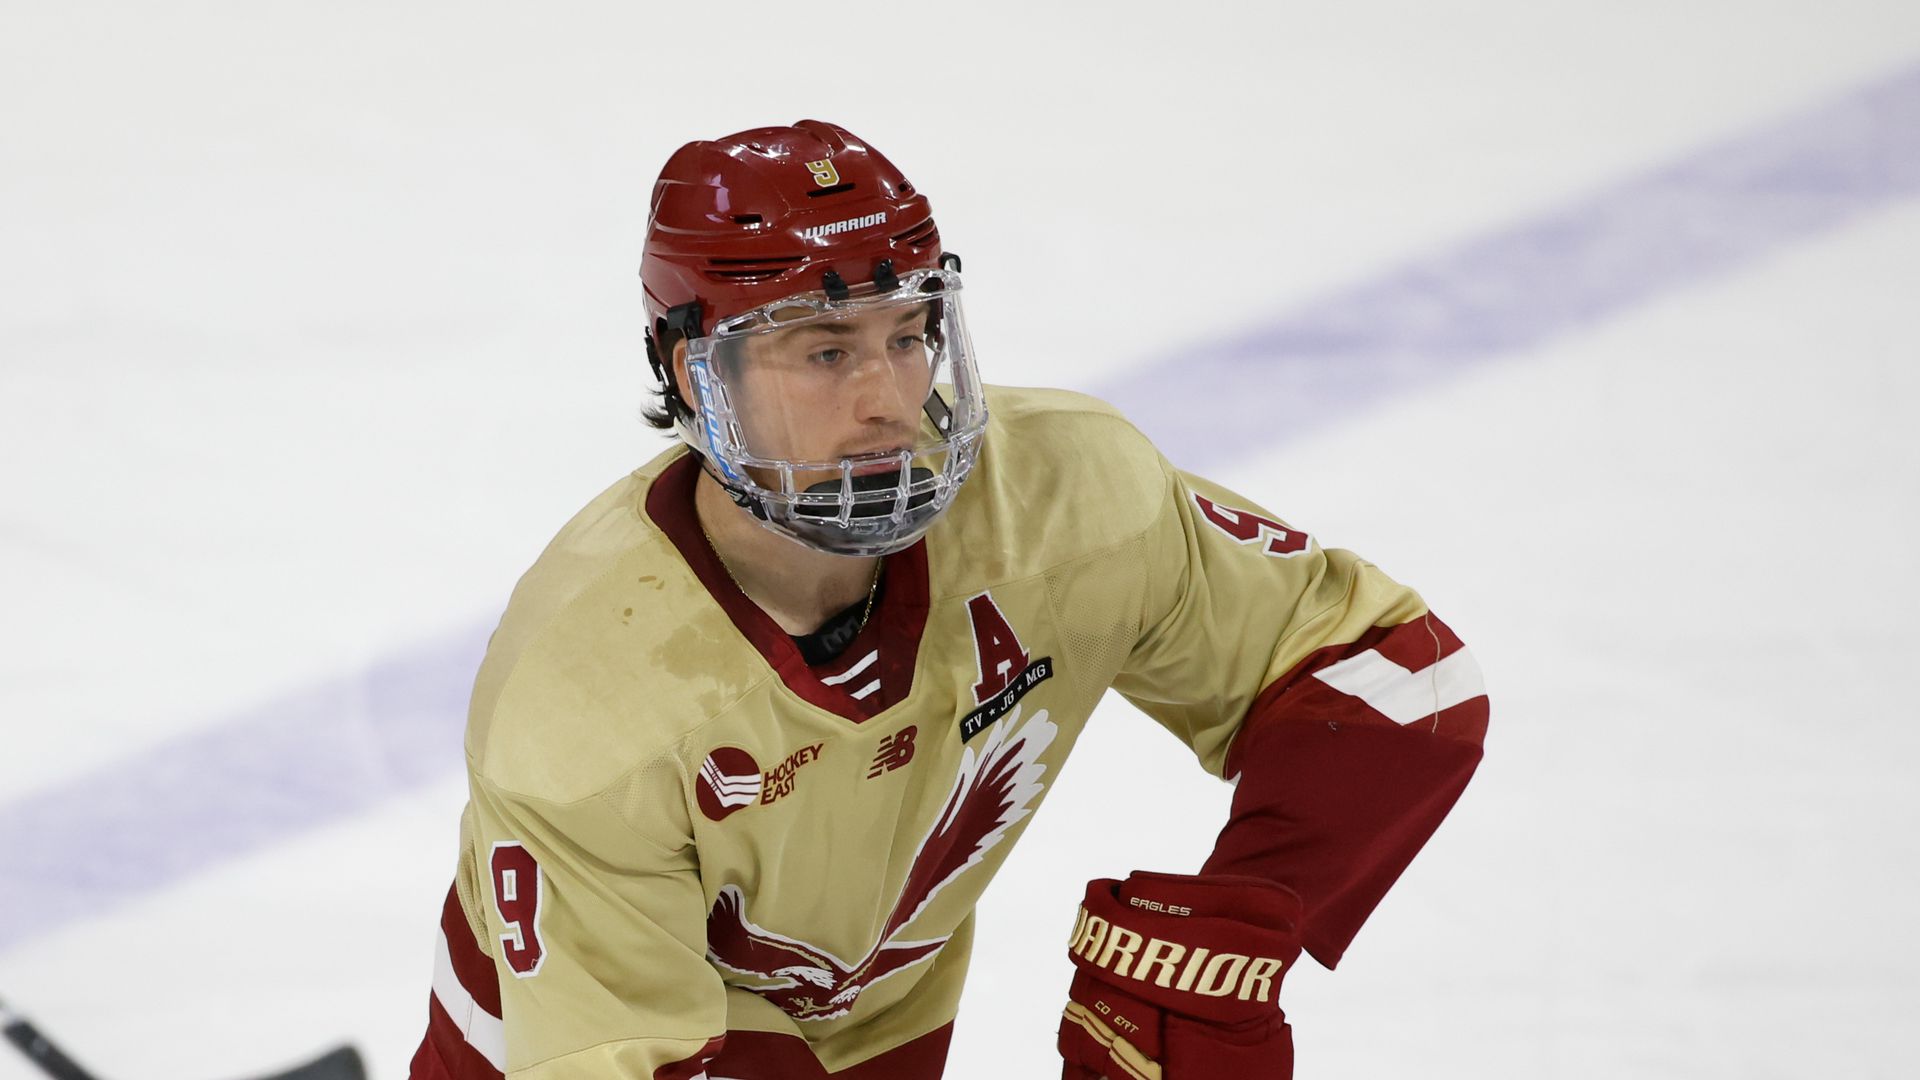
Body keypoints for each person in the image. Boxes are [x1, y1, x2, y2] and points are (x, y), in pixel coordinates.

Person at [407, 120, 1489, 1080]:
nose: (887, 399)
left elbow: (1401, 678)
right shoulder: (586, 695)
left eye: (906, 335)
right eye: (827, 350)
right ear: (697, 378)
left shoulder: (1070, 501)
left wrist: (1250, 915)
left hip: (876, 1032)